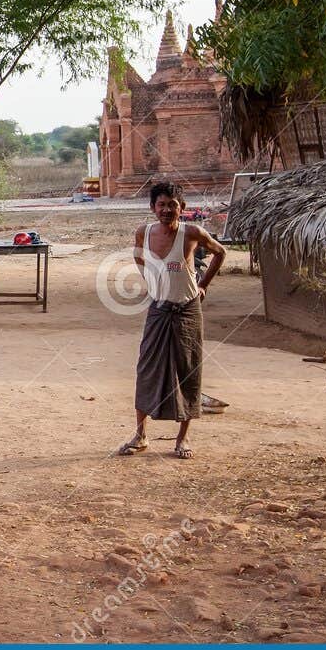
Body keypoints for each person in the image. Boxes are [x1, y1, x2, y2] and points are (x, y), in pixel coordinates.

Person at [118, 181, 225, 459]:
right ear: (153, 208)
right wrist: (152, 283)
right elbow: (138, 256)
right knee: (146, 370)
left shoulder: (192, 233)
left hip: (188, 311)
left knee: (187, 371)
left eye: (172, 205)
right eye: (161, 204)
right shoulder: (144, 232)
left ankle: (183, 439)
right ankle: (140, 435)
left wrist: (204, 285)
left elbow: (220, 252)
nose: (166, 210)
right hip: (158, 311)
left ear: (182, 208)